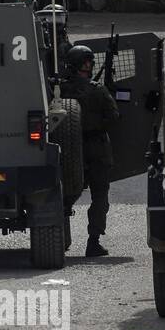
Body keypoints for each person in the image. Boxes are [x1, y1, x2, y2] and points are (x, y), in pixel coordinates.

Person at [59, 44, 120, 257]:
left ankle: (58, 236)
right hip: (97, 148)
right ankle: (93, 242)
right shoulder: (98, 90)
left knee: (63, 193)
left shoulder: (61, 90)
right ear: (85, 64)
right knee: (99, 195)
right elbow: (113, 117)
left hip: (69, 147)